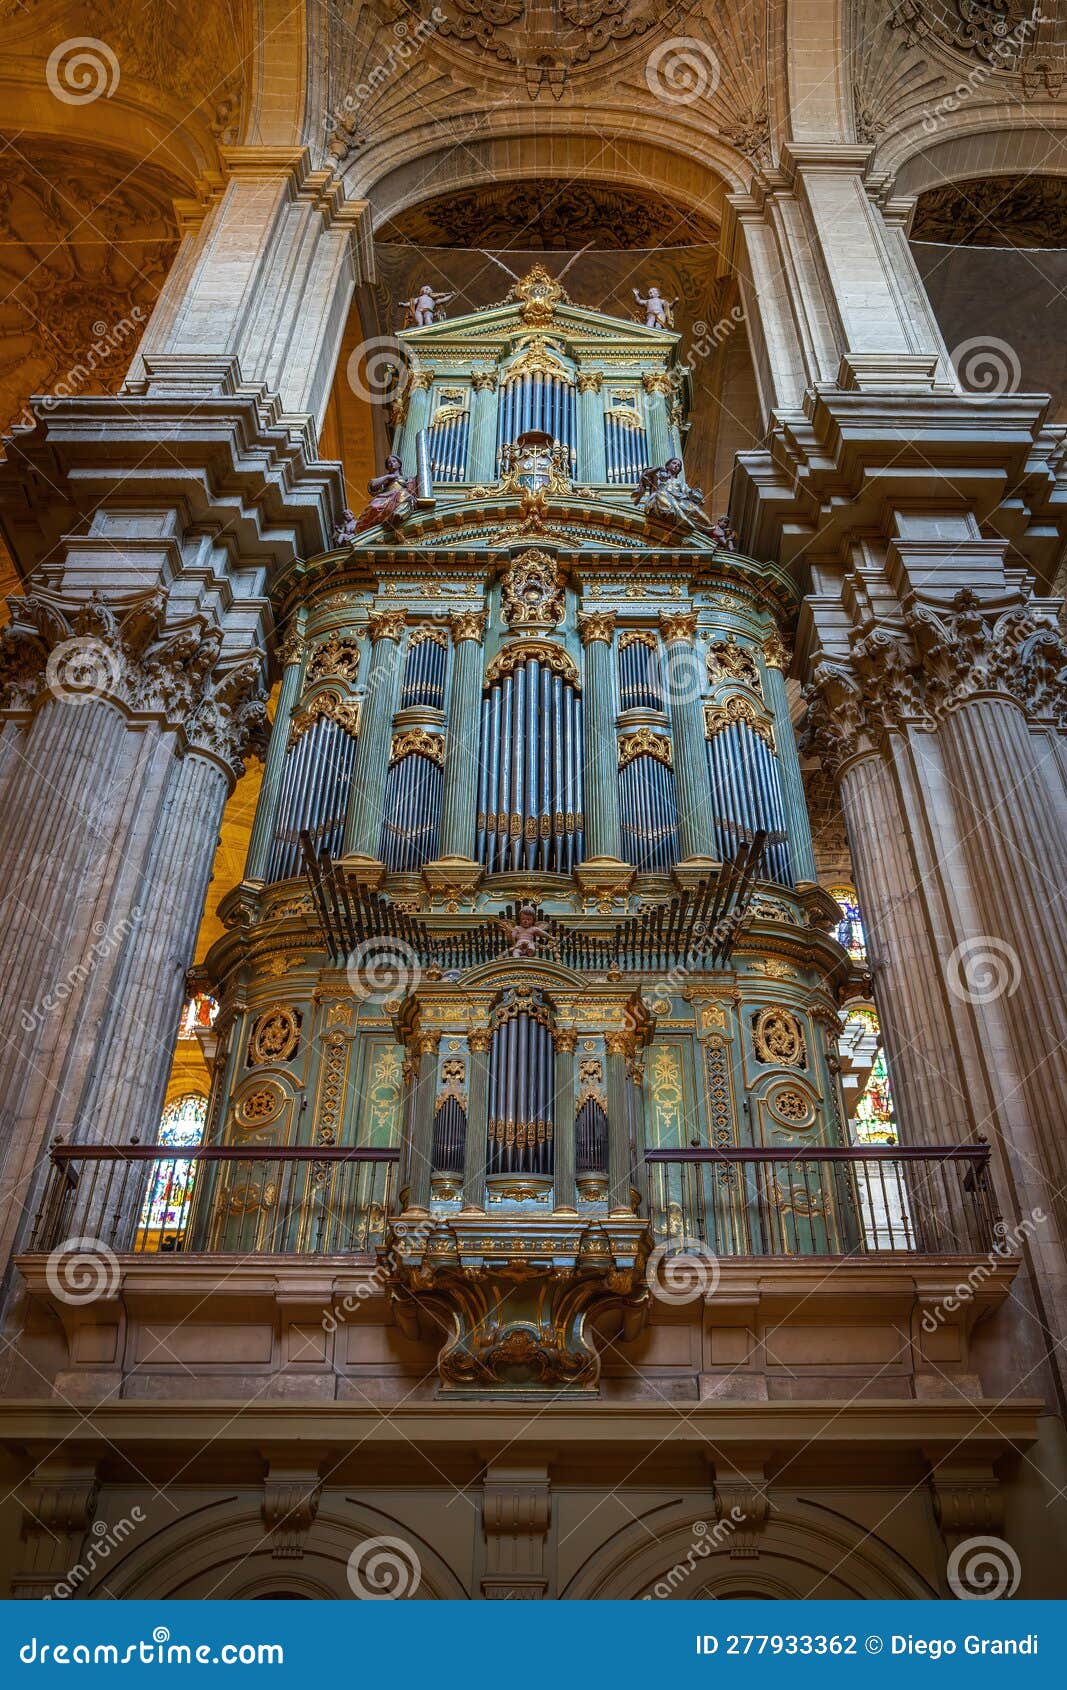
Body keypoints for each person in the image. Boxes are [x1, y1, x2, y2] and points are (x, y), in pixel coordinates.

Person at [632, 458, 716, 536]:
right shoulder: (657, 476)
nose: (676, 465)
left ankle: (709, 528)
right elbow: (645, 474)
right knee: (662, 494)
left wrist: (695, 492)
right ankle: (669, 512)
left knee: (694, 508)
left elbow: (688, 492)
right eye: (674, 463)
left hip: (677, 500)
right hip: (659, 499)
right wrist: (658, 468)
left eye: (678, 465)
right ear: (668, 466)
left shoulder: (680, 482)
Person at [350, 457, 419, 535]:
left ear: (399, 464)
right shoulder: (386, 480)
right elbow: (373, 485)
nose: (392, 463)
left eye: (394, 461)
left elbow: (414, 487)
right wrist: (388, 477)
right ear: (387, 467)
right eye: (389, 463)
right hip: (386, 498)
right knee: (374, 507)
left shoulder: (407, 478)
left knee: (404, 496)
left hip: (400, 497)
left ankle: (396, 516)